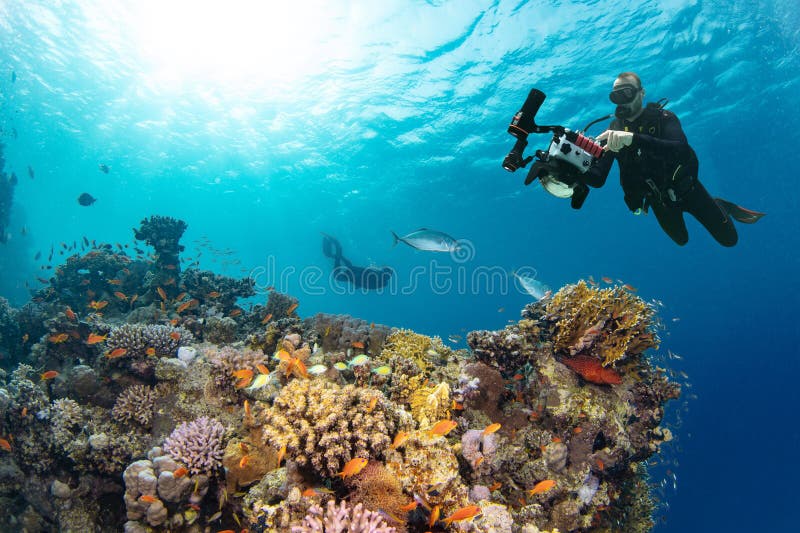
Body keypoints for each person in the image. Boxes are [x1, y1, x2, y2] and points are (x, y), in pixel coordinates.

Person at [587, 72, 764, 246]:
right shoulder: (613, 130)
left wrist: (633, 139)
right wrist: (565, 173)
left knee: (729, 240)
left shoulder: (663, 118)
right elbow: (598, 177)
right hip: (659, 200)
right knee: (681, 240)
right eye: (615, 96)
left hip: (688, 189)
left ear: (642, 93)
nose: (622, 101)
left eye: (626, 93)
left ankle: (720, 205)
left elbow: (680, 149)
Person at [321, 233, 394, 290]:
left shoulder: (381, 279)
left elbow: (366, 281)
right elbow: (366, 281)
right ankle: (338, 249)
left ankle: (338, 250)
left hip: (357, 276)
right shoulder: (381, 279)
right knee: (342, 271)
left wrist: (357, 284)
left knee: (344, 270)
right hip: (357, 276)